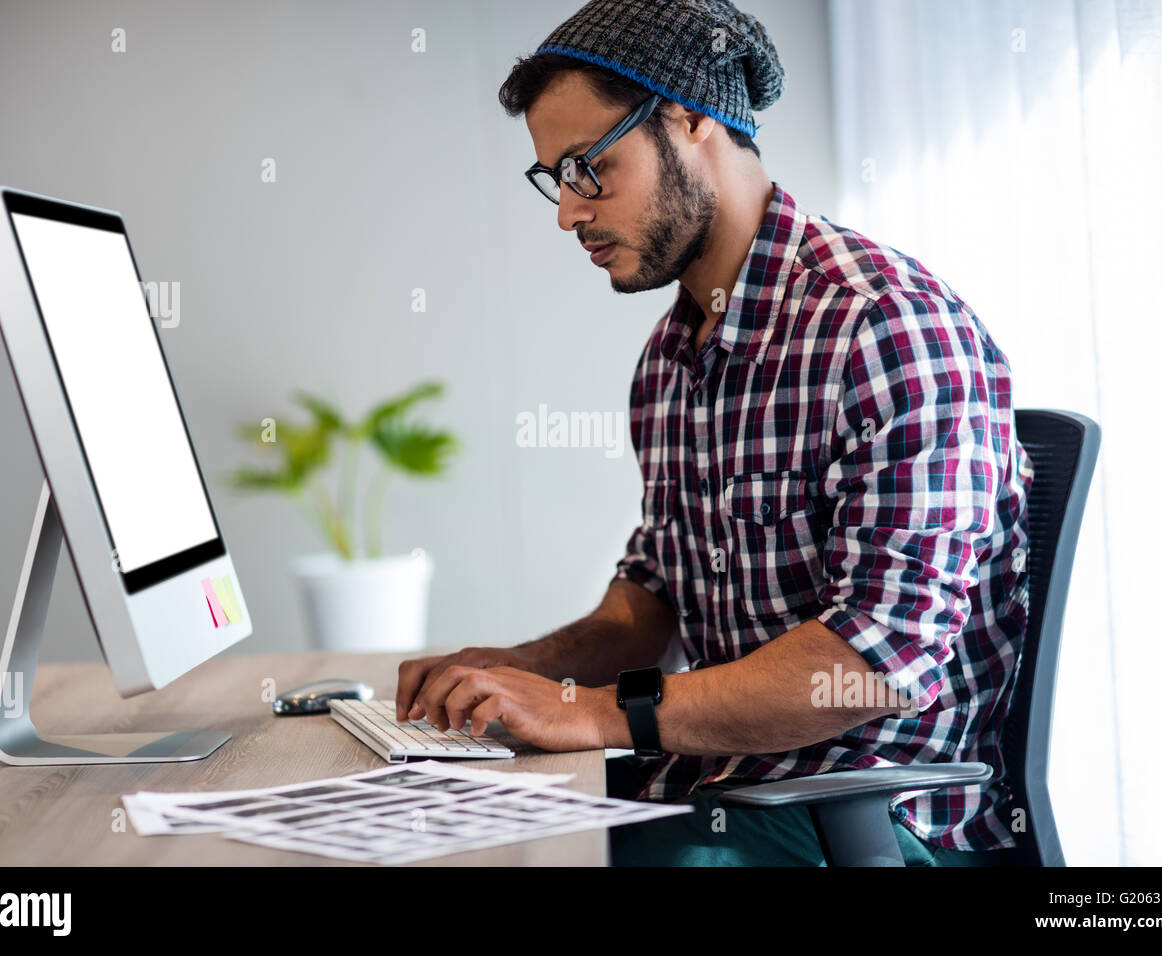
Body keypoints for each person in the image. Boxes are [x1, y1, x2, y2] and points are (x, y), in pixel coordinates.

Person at [396, 0, 1032, 867]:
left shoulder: (881, 327)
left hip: (873, 823)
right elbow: (652, 596)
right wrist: (515, 673)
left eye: (590, 166)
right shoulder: (670, 358)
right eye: (555, 178)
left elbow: (880, 656)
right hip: (717, 785)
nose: (567, 213)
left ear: (690, 118)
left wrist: (591, 712)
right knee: (436, 830)